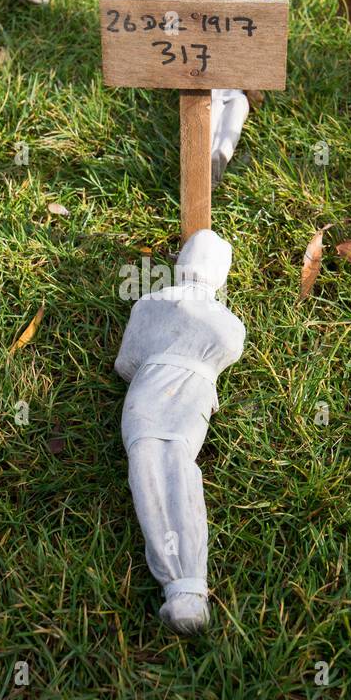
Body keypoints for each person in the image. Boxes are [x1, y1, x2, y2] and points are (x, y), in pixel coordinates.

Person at [115, 230, 245, 634]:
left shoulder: (148, 303)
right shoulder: (228, 322)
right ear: (221, 273)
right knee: (177, 469)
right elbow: (228, 351)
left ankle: (181, 584)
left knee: (148, 469)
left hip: (147, 393)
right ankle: (187, 585)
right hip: (189, 396)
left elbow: (125, 363)